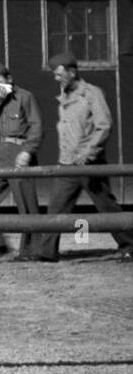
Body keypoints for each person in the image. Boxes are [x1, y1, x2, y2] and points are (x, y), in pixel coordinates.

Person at [24, 51, 133, 263]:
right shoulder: (64, 96)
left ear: (72, 72)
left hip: (89, 165)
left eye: (59, 74)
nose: (56, 78)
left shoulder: (92, 94)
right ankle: (46, 253)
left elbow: (103, 126)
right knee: (56, 208)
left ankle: (130, 245)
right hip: (67, 165)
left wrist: (87, 154)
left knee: (107, 207)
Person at [0, 60, 43, 260]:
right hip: (1, 151)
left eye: (0, 82)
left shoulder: (25, 97)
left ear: (10, 79)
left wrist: (28, 151)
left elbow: (36, 126)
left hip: (20, 150)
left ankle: (32, 251)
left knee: (26, 204)